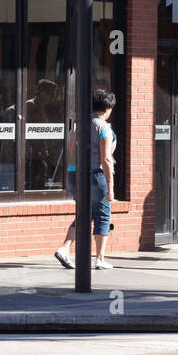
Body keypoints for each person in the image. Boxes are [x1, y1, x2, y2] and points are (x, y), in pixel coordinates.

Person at [54, 89, 117, 272]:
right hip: (96, 174)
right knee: (102, 215)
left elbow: (73, 149)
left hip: (75, 173)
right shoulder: (103, 127)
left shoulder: (81, 124)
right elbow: (105, 159)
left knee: (84, 214)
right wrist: (110, 187)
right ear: (107, 107)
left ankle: (64, 248)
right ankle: (100, 259)